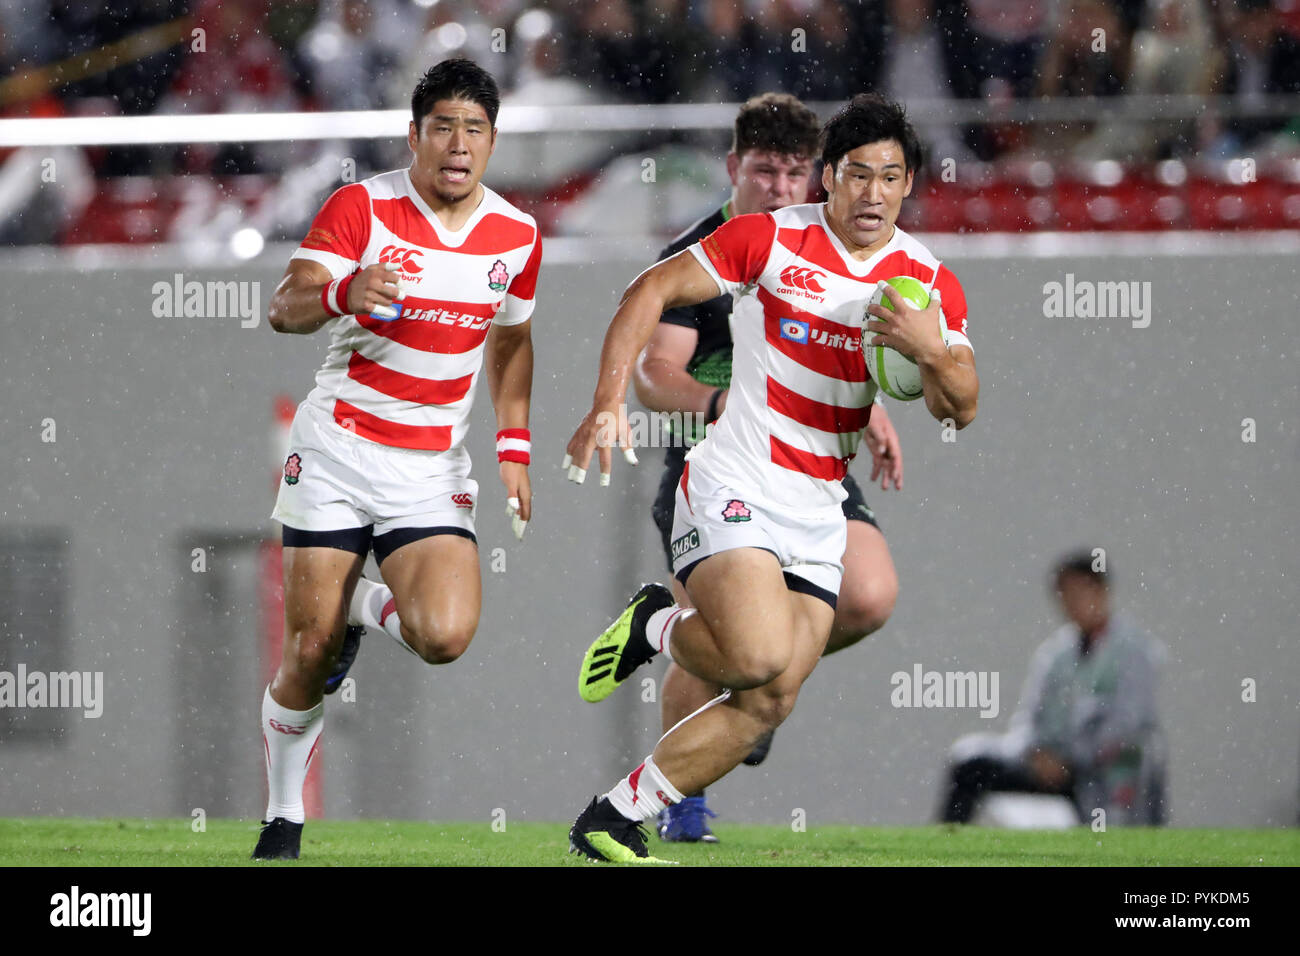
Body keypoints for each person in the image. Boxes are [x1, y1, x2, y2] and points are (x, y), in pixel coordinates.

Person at [563, 93, 978, 862]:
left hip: (820, 506)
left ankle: (613, 816)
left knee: (772, 695)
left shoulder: (927, 284)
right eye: (858, 175)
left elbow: (963, 408)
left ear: (910, 183)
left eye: (890, 176)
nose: (874, 192)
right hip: (735, 478)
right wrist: (605, 400)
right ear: (831, 179)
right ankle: (659, 621)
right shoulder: (766, 239)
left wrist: (933, 350)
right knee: (755, 656)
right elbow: (647, 291)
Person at [252, 58, 540, 860]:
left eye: (474, 129)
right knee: (306, 653)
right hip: (340, 449)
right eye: (442, 126)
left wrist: (513, 446)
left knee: (445, 635)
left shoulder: (516, 236)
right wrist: (346, 292)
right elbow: (285, 307)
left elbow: (513, 339)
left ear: (492, 141)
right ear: (413, 136)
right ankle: (283, 817)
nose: (458, 144)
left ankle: (358, 607)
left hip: (430, 468)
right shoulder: (363, 206)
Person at [632, 92, 904, 844]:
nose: (780, 188)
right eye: (764, 171)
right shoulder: (698, 257)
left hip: (809, 466)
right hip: (713, 470)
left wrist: (871, 409)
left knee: (870, 595)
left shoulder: (825, 249)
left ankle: (758, 689)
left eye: (794, 174)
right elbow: (654, 376)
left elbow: (838, 355)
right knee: (716, 631)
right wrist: (722, 404)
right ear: (732, 169)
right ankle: (682, 802)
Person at [939, 552, 1166, 826]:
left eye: (1080, 592)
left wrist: (1071, 760)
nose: (1072, 603)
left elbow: (1128, 723)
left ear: (1102, 591)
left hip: (1103, 771)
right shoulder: (1054, 655)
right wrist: (1036, 754)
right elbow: (1028, 718)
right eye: (1064, 594)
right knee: (970, 764)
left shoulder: (1134, 651)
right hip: (1051, 768)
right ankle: (949, 847)